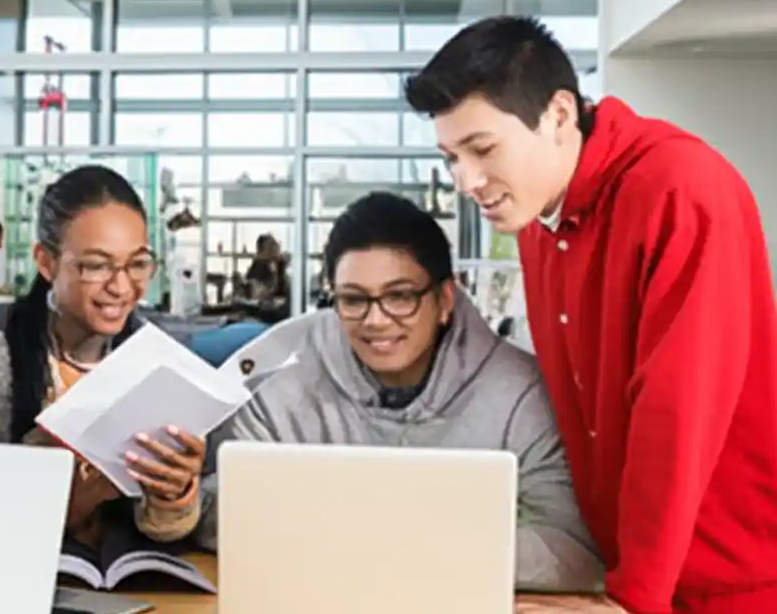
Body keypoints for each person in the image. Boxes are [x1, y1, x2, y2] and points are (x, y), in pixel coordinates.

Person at [405, 15, 777, 613]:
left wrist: (633, 600)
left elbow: (677, 409)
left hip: (727, 582)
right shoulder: (536, 220)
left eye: (482, 149)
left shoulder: (680, 190)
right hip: (626, 575)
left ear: (557, 115)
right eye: (451, 157)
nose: (466, 181)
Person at [196, 192, 604, 593]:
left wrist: (399, 549)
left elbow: (573, 547)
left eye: (400, 296)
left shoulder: (519, 389)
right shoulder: (277, 367)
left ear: (445, 299)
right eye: (353, 299)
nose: (376, 320)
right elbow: (216, 508)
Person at [0, 165, 204, 550]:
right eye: (96, 265)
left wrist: (177, 493)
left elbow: (172, 534)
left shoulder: (160, 356)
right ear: (46, 262)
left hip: (130, 585)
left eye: (137, 263)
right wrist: (80, 492)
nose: (121, 286)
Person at [243, 233, 288, 302]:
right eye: (271, 246)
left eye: (275, 246)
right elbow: (258, 295)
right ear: (263, 251)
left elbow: (283, 291)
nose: (276, 249)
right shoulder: (258, 267)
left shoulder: (277, 266)